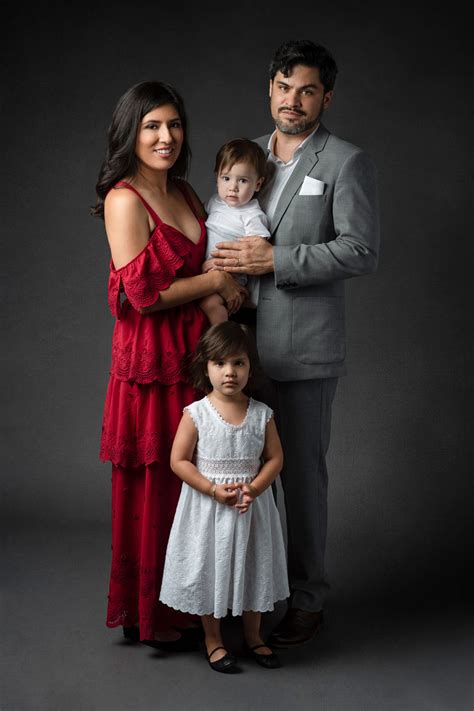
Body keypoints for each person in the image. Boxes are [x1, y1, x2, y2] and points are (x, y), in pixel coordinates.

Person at [210, 40, 380, 647]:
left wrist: (277, 258)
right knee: (237, 473)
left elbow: (361, 250)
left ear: (325, 97)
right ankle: (247, 596)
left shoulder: (345, 162)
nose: (293, 100)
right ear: (270, 90)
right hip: (239, 349)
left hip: (304, 349)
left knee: (300, 479)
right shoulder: (246, 155)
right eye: (284, 87)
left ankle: (307, 599)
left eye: (307, 90)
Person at [92, 80, 246, 649]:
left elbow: (200, 270)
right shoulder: (124, 198)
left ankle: (193, 603)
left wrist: (216, 304)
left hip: (194, 357)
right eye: (152, 125)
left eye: (174, 125)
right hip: (149, 365)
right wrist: (213, 282)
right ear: (130, 132)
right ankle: (150, 612)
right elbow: (143, 294)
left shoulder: (183, 191)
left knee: (195, 485)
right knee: (157, 483)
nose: (165, 136)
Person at [159, 321, 289, 672]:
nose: (229, 372)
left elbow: (275, 458)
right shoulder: (197, 413)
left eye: (238, 363)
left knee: (254, 567)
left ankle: (253, 635)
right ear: (206, 367)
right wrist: (212, 489)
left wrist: (255, 488)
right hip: (208, 509)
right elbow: (178, 460)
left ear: (250, 368)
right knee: (208, 569)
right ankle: (213, 639)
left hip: (251, 508)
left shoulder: (261, 414)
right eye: (219, 363)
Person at [199, 138, 271, 324]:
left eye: (243, 180)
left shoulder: (251, 214)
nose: (233, 187)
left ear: (258, 184)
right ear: (217, 178)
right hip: (207, 271)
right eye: (226, 178)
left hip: (231, 275)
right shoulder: (215, 202)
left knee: (211, 304)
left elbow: (257, 250)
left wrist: (220, 266)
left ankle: (221, 341)